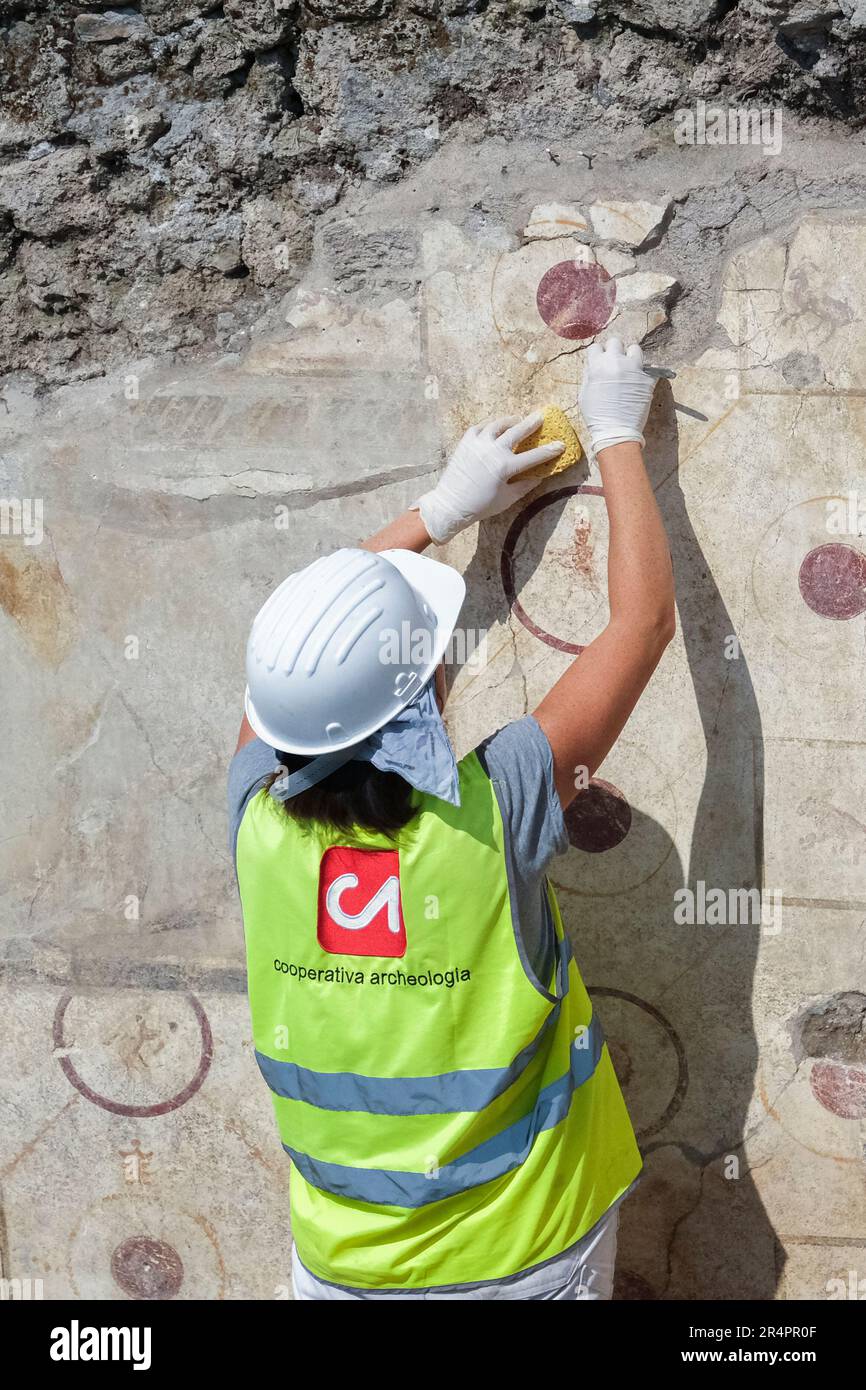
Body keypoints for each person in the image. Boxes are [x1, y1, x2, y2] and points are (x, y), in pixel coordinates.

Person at [228, 339, 676, 1300]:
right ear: (427, 689)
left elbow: (297, 688)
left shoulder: (252, 817)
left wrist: (438, 510)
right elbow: (640, 629)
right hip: (525, 1257)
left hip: (343, 1269)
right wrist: (617, 432)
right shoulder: (496, 804)